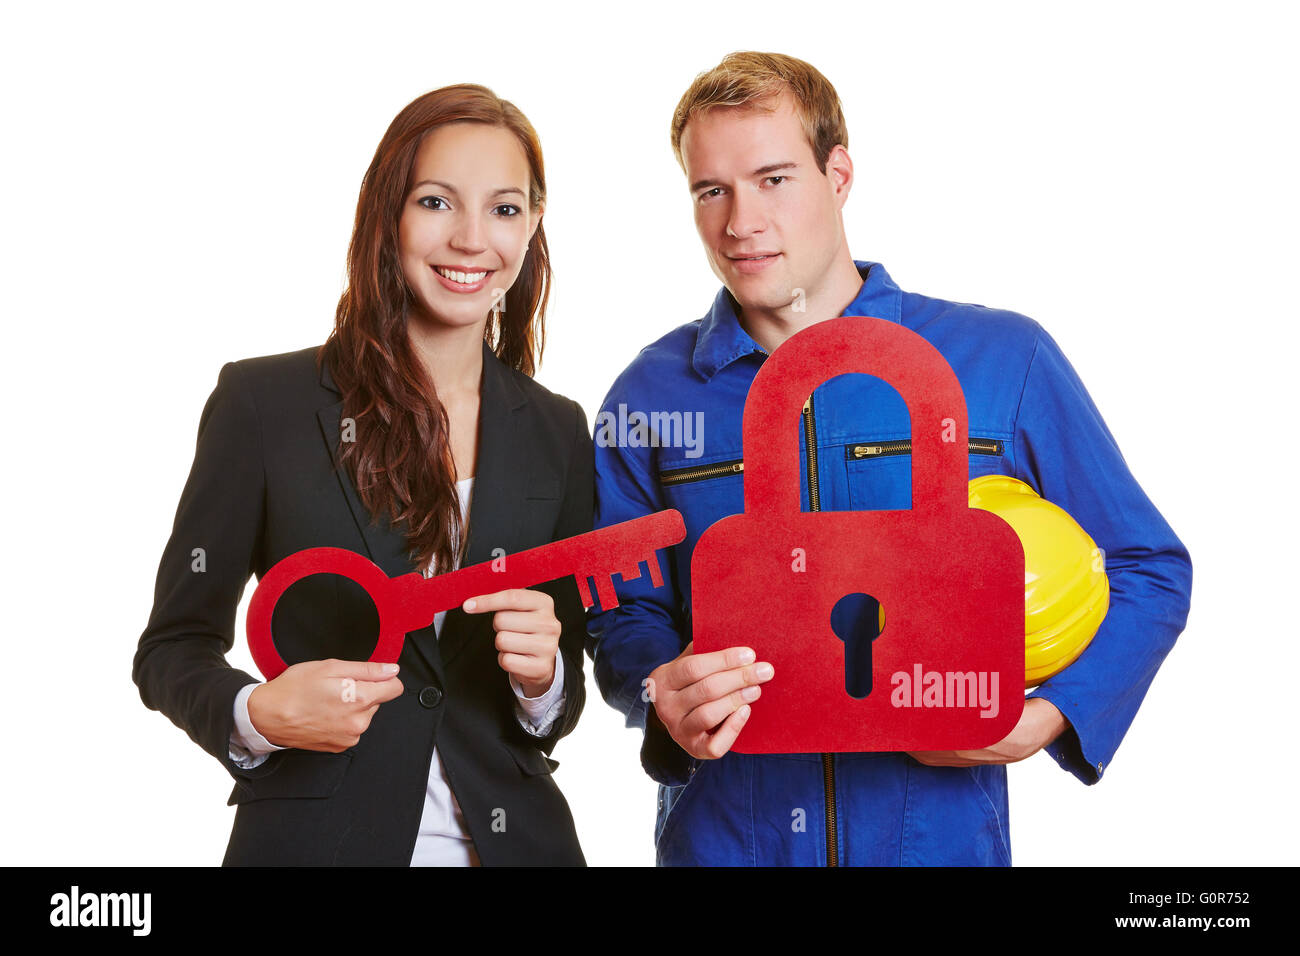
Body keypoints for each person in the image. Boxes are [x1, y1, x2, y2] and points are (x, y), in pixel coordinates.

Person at [586, 52, 1193, 866]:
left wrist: (1047, 718)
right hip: (727, 837)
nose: (741, 222)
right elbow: (621, 613)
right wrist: (662, 688)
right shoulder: (648, 397)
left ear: (838, 173)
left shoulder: (1001, 360)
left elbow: (1148, 566)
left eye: (774, 179)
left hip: (934, 840)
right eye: (711, 191)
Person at [133, 84, 592, 866]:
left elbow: (560, 698)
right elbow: (172, 647)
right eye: (438, 201)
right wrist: (259, 714)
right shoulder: (263, 405)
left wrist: (544, 678)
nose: (472, 239)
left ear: (534, 226)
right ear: (389, 212)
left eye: (506, 209)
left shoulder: (557, 428)